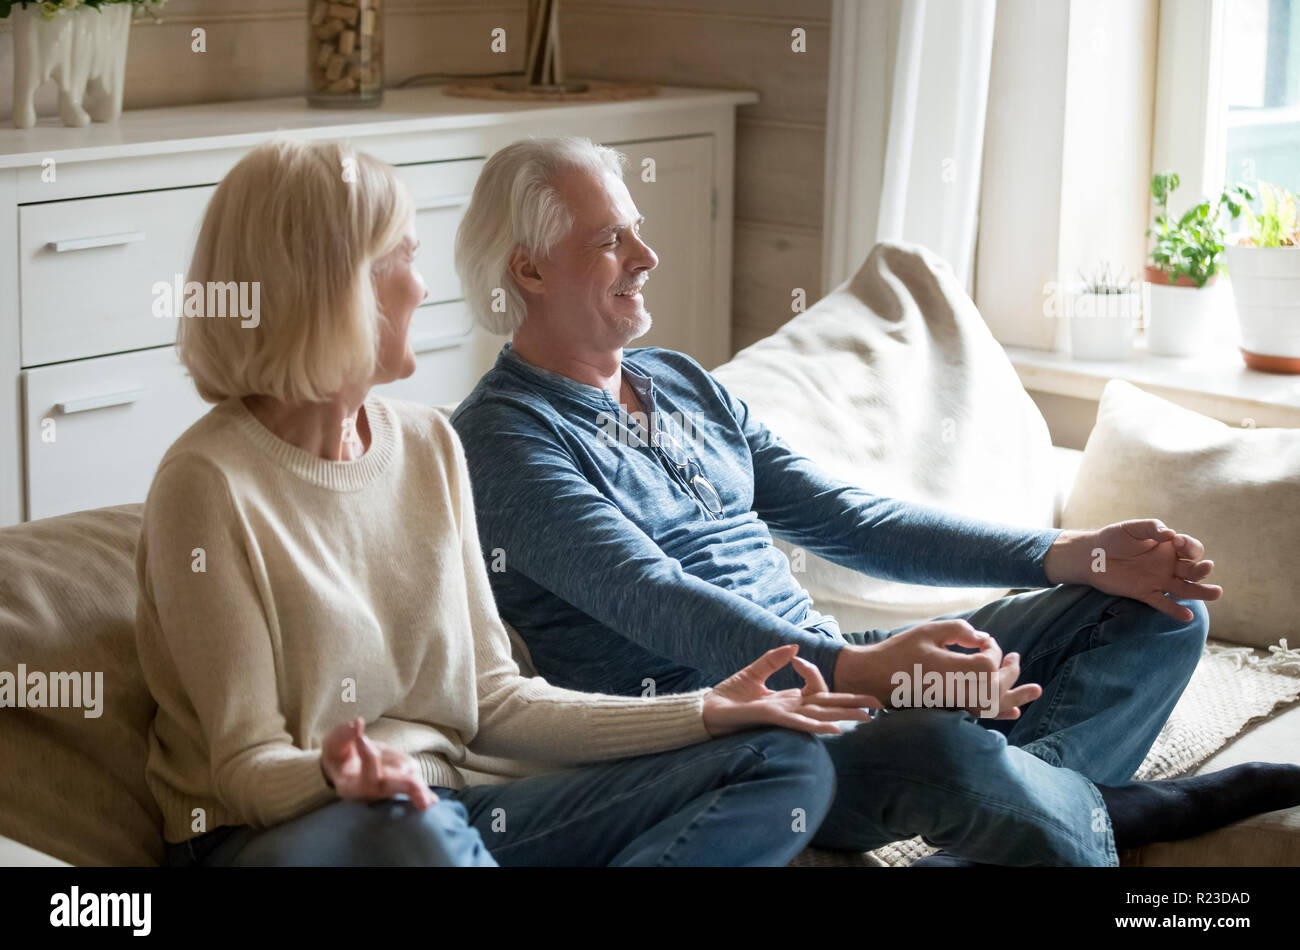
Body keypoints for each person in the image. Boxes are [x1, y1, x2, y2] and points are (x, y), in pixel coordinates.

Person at [449, 135, 1300, 866]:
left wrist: (1066, 553)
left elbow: (853, 519)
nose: (647, 255)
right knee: (938, 744)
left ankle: (1032, 812)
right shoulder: (503, 441)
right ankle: (1101, 808)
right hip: (734, 729)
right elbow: (656, 599)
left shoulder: (678, 382)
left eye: (638, 229)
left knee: (1157, 611)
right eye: (612, 239)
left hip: (835, 662)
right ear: (528, 268)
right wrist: (864, 675)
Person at [136, 137, 877, 868]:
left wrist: (707, 711)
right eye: (400, 258)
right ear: (332, 284)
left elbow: (495, 703)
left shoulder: (428, 446)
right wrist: (341, 774)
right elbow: (246, 770)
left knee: (782, 759)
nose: (422, 287)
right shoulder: (207, 483)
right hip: (278, 831)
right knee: (411, 834)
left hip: (446, 809)